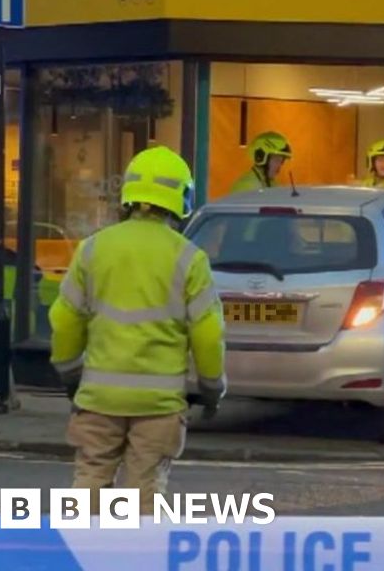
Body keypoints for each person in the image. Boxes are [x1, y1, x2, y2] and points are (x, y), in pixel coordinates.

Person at [50, 146, 227, 514]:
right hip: (158, 406)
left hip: (98, 399)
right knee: (144, 490)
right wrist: (212, 388)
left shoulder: (92, 249)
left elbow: (65, 319)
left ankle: (82, 557)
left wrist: (69, 371)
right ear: (181, 197)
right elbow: (208, 335)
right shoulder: (189, 258)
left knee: (91, 479)